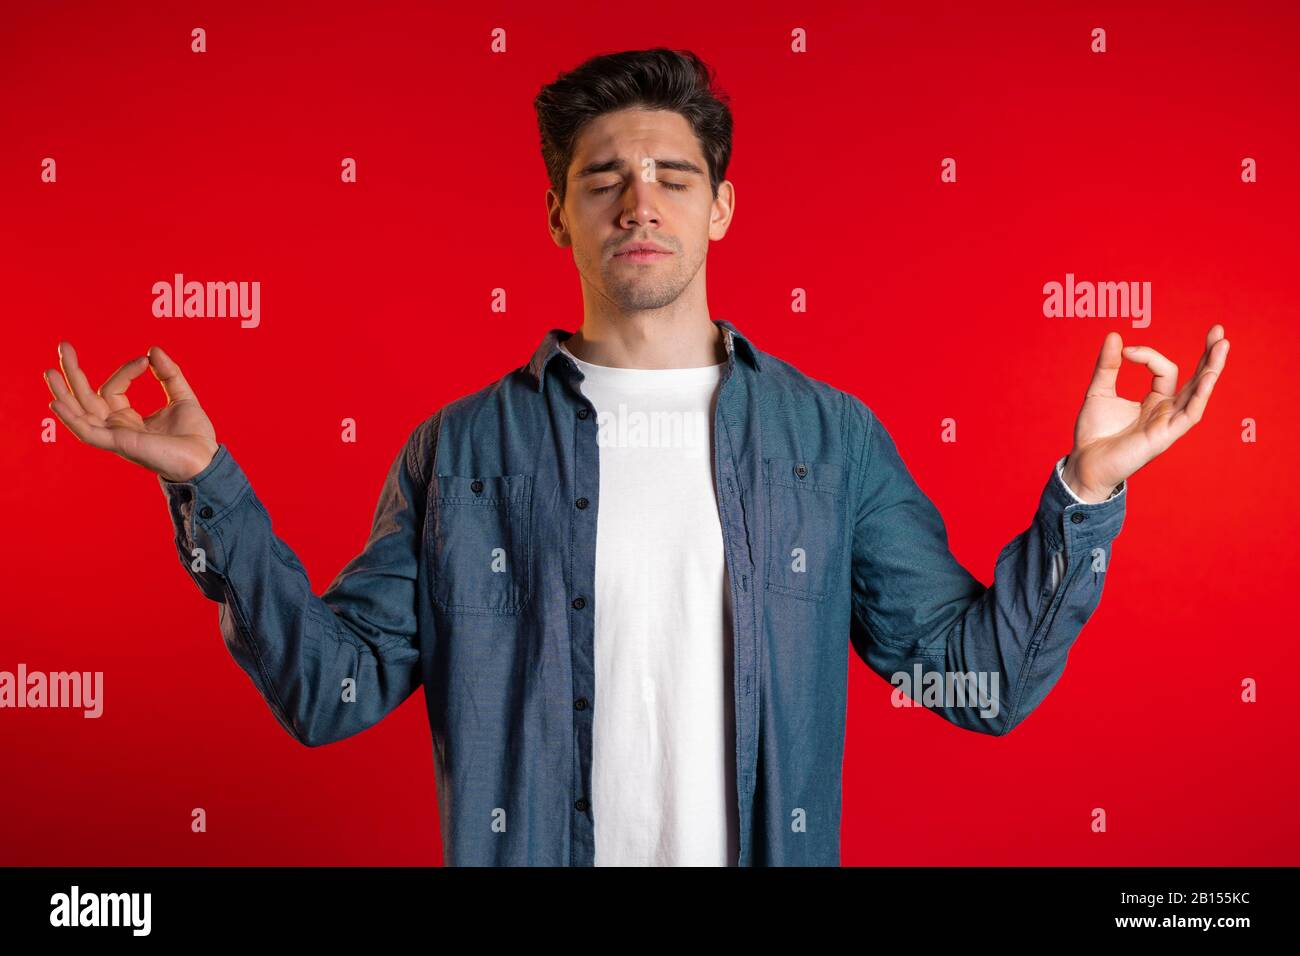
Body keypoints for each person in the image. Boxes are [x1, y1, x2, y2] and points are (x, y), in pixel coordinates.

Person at [41, 47, 1229, 867]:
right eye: (602, 178)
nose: (638, 202)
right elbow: (328, 692)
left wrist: (1089, 488)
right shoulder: (459, 452)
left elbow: (979, 682)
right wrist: (207, 488)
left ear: (720, 209)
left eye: (673, 176)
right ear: (558, 215)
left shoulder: (829, 439)